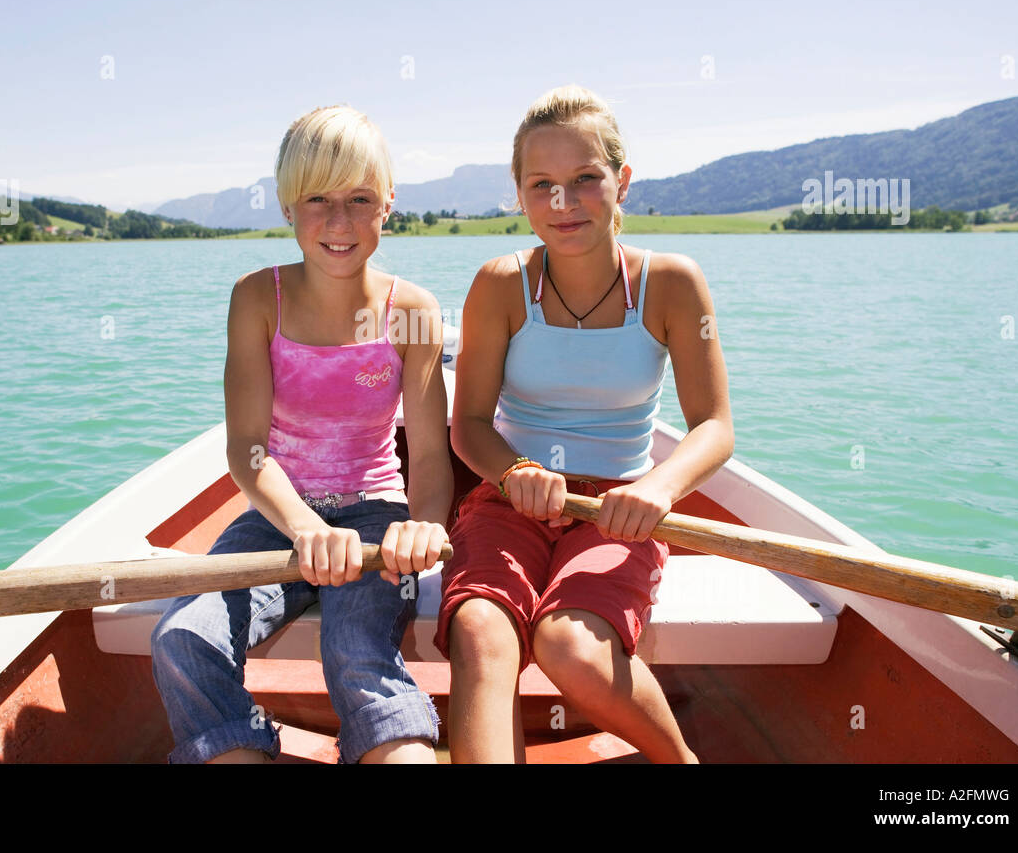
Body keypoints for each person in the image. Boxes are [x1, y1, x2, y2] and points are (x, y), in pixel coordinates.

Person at [439, 85, 734, 763]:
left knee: (567, 643)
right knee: (482, 631)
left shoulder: (672, 283)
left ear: (622, 181)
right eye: (542, 185)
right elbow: (471, 426)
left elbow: (715, 426)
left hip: (620, 510)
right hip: (510, 498)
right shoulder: (499, 283)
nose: (562, 204)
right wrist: (516, 472)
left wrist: (657, 490)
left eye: (584, 180)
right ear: (519, 193)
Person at [151, 105, 452, 764]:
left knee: (355, 648)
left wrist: (423, 525)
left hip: (376, 522)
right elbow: (248, 451)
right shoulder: (259, 298)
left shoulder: (413, 311)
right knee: (183, 637)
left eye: (359, 199)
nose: (338, 222)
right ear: (288, 205)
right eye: (317, 199)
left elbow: (429, 456)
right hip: (275, 517)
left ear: (389, 205)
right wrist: (304, 529)